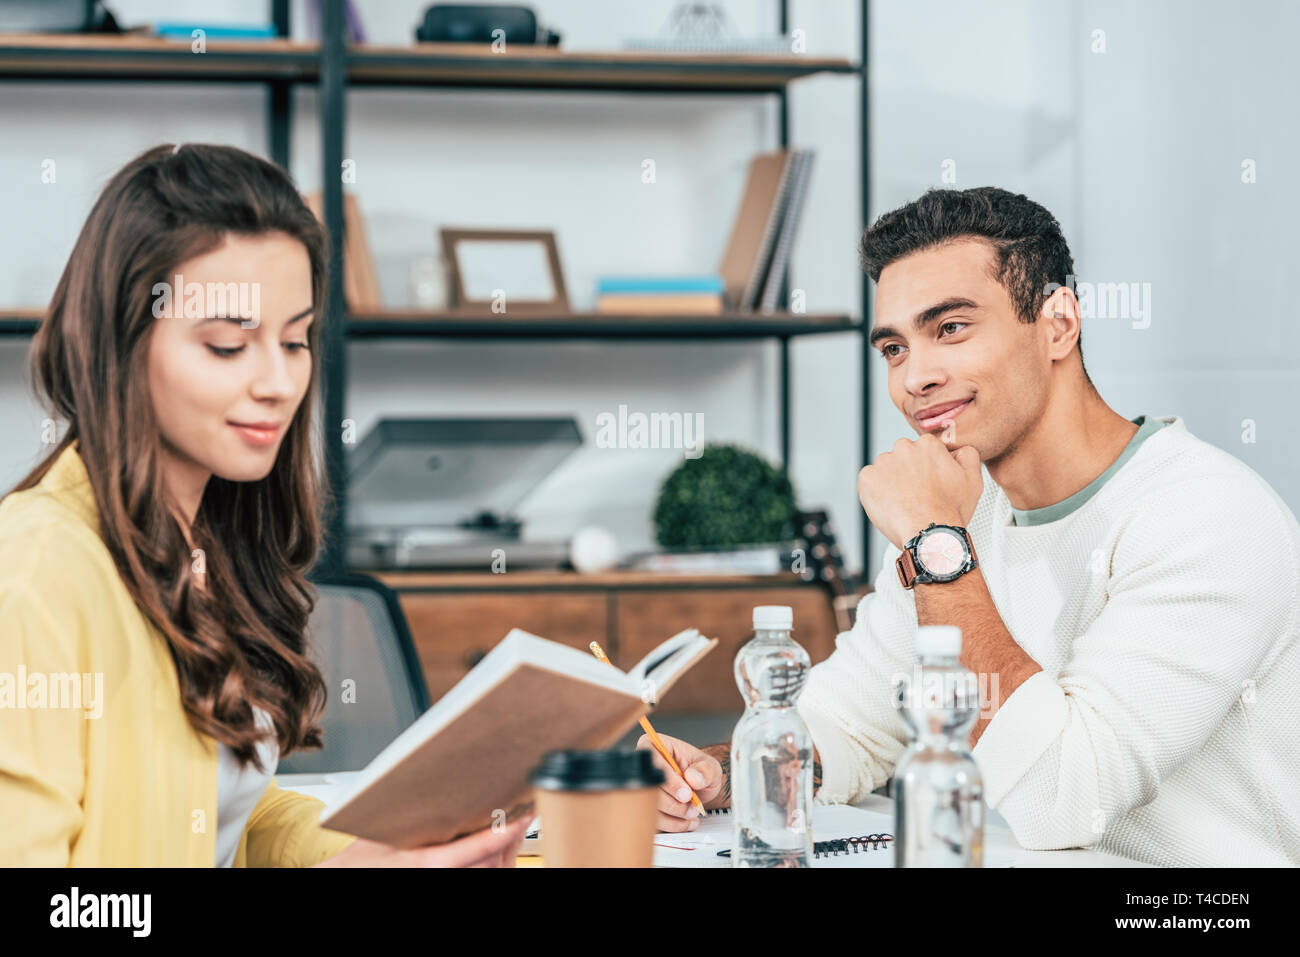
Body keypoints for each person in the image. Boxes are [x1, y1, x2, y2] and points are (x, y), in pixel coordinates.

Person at [639, 187, 1300, 867]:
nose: (914, 378)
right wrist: (717, 773)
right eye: (894, 348)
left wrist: (933, 544)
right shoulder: (962, 515)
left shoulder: (1207, 516)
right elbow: (847, 726)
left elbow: (1065, 798)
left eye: (950, 328)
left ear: (1058, 323)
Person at [0, 143, 529, 866]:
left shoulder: (209, 544)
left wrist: (370, 857)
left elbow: (220, 808)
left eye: (296, 339)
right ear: (121, 343)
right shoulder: (34, 574)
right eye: (227, 345)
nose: (280, 382)